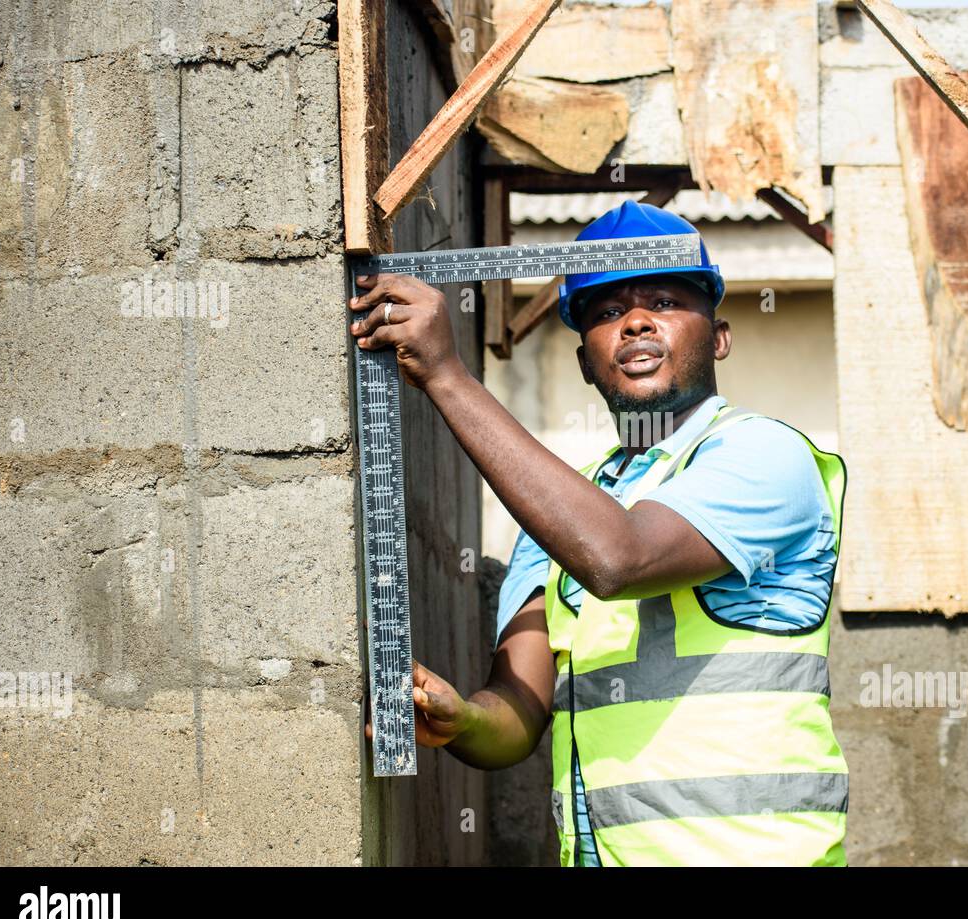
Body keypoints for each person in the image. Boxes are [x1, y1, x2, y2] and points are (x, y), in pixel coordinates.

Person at [350, 200, 849, 866]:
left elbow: (620, 558)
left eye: (665, 301)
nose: (636, 320)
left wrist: (446, 375)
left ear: (720, 336)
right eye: (607, 313)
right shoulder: (561, 514)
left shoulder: (766, 457)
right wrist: (461, 720)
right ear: (586, 361)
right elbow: (517, 715)